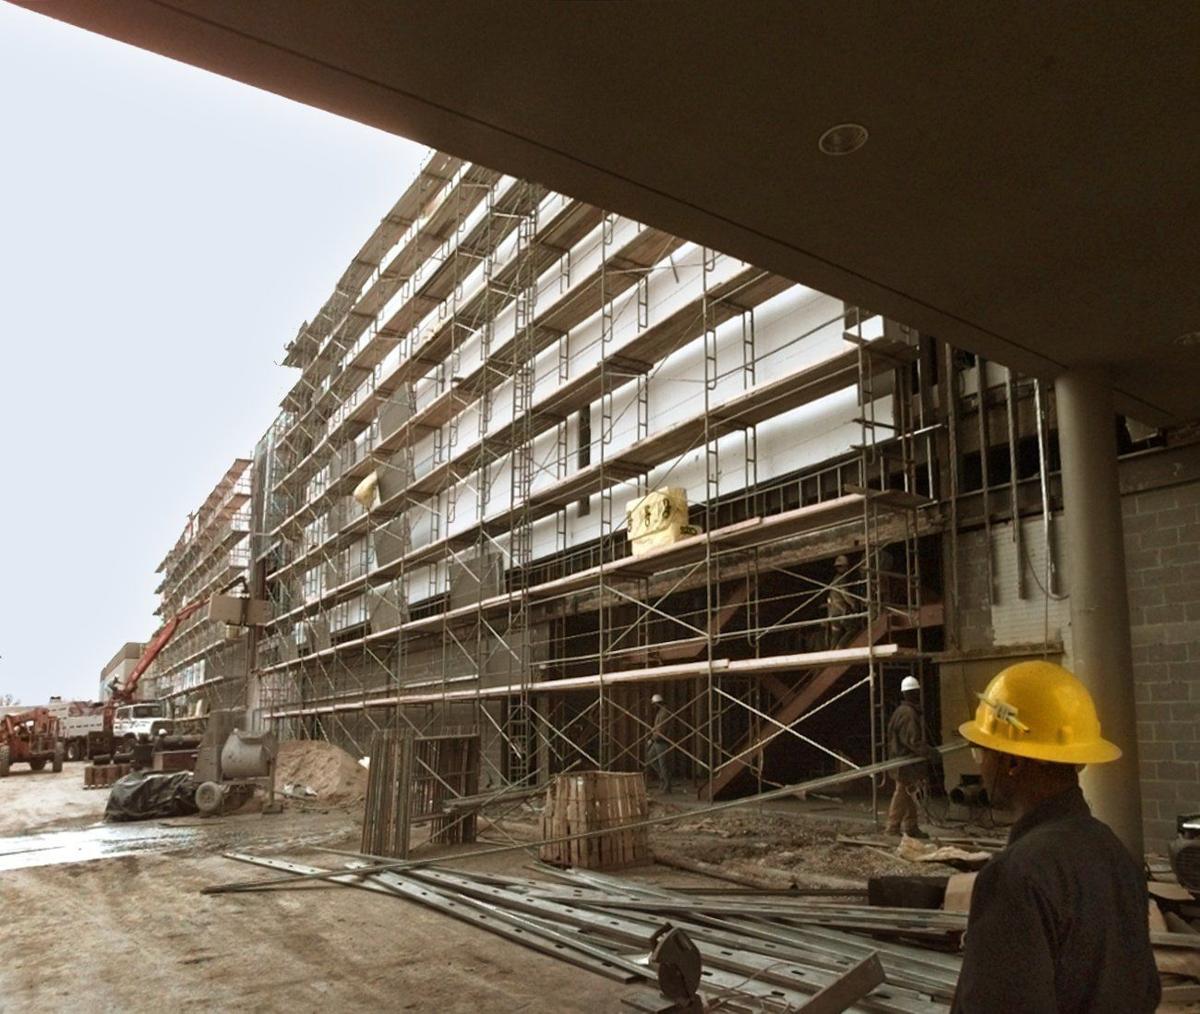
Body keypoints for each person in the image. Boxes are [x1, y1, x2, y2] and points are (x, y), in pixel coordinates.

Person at [951, 660, 1160, 1014]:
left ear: (1012, 763)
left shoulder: (1016, 877)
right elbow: (1144, 991)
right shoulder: (1115, 853)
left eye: (982, 751)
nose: (979, 766)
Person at [885, 674, 934, 838]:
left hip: (902, 760)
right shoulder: (908, 714)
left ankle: (911, 826)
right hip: (905, 762)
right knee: (902, 793)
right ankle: (892, 827)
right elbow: (913, 741)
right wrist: (931, 753)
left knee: (909, 792)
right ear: (914, 693)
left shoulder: (901, 711)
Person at [645, 692, 673, 794]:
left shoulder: (664, 713)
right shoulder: (660, 712)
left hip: (662, 741)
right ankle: (662, 778)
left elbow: (661, 729)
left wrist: (652, 739)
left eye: (654, 705)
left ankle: (667, 786)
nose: (653, 707)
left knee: (663, 764)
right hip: (657, 741)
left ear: (657, 703)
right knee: (650, 758)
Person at [826, 554, 855, 648]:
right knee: (852, 629)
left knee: (836, 634)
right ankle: (840, 647)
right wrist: (853, 603)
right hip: (841, 611)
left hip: (833, 612)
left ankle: (832, 653)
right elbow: (844, 594)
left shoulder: (835, 579)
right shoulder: (841, 579)